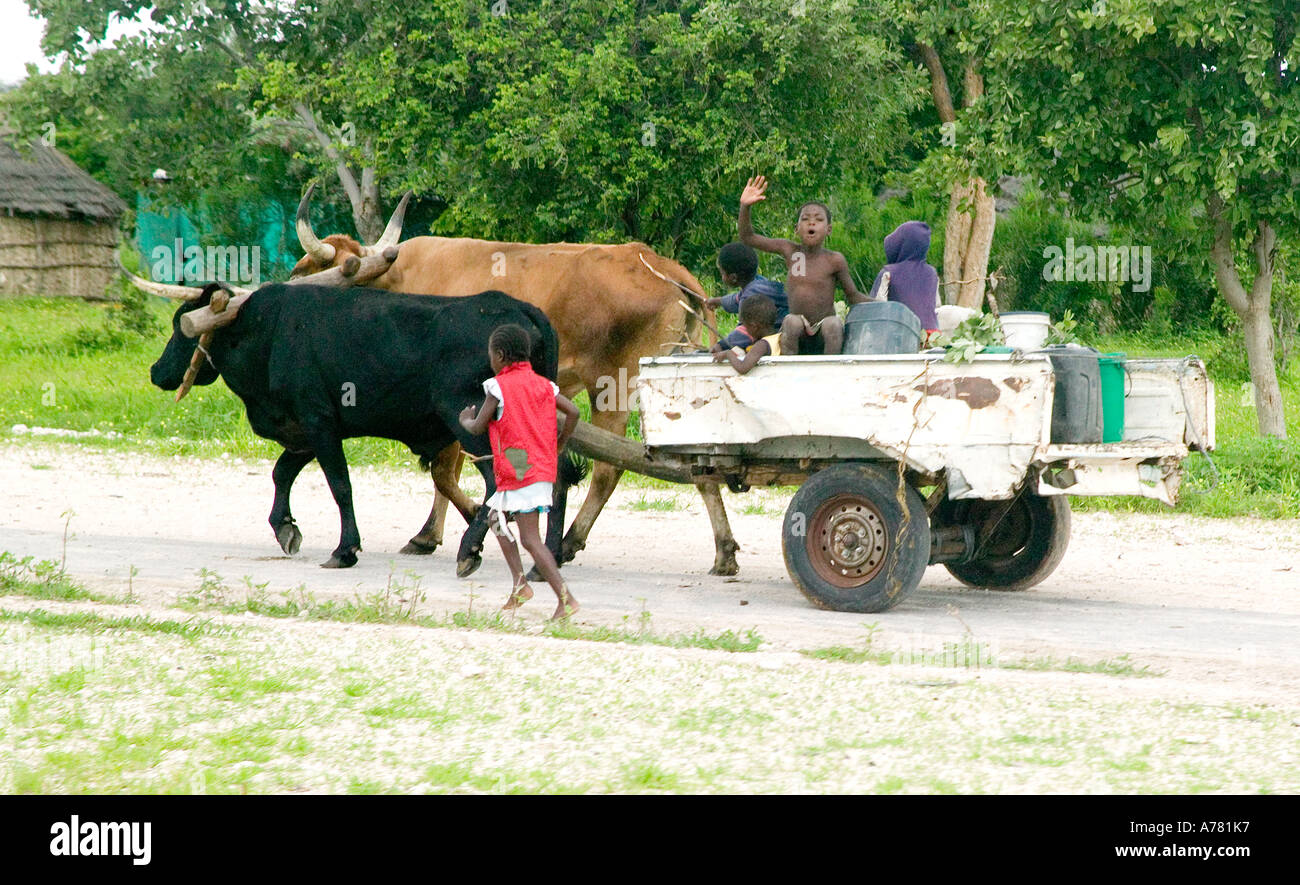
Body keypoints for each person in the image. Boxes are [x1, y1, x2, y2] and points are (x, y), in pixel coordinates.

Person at [459, 324, 581, 620]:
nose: (490, 360)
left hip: (520, 471)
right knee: (493, 518)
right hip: (536, 467)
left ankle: (566, 600)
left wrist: (466, 419)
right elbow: (574, 412)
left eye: (491, 355)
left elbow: (477, 427)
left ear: (500, 355)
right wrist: (560, 444)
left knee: (530, 539)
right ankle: (520, 584)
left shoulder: (497, 387)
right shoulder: (544, 385)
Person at [738, 175, 868, 355]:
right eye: (805, 219)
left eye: (818, 219)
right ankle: (790, 370)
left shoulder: (834, 260)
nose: (811, 222)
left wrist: (882, 303)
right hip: (797, 331)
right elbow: (748, 237)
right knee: (791, 321)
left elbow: (853, 296)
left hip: (824, 330)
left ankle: (831, 372)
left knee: (834, 323)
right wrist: (745, 206)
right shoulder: (790, 250)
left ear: (828, 229)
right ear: (796, 228)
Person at [868, 220, 942, 347]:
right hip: (931, 338)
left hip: (899, 337)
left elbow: (877, 306)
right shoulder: (932, 273)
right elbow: (937, 305)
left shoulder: (889, 273)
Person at [705, 242, 788, 351]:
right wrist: (719, 301)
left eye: (722, 273)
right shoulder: (757, 283)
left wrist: (721, 345)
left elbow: (745, 332)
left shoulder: (750, 296)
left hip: (778, 337)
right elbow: (736, 300)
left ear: (733, 278)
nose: (722, 277)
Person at [712, 294, 781, 376]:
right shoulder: (777, 336)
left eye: (745, 326)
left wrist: (728, 354)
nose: (745, 330)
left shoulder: (762, 345)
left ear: (754, 327)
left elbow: (743, 368)